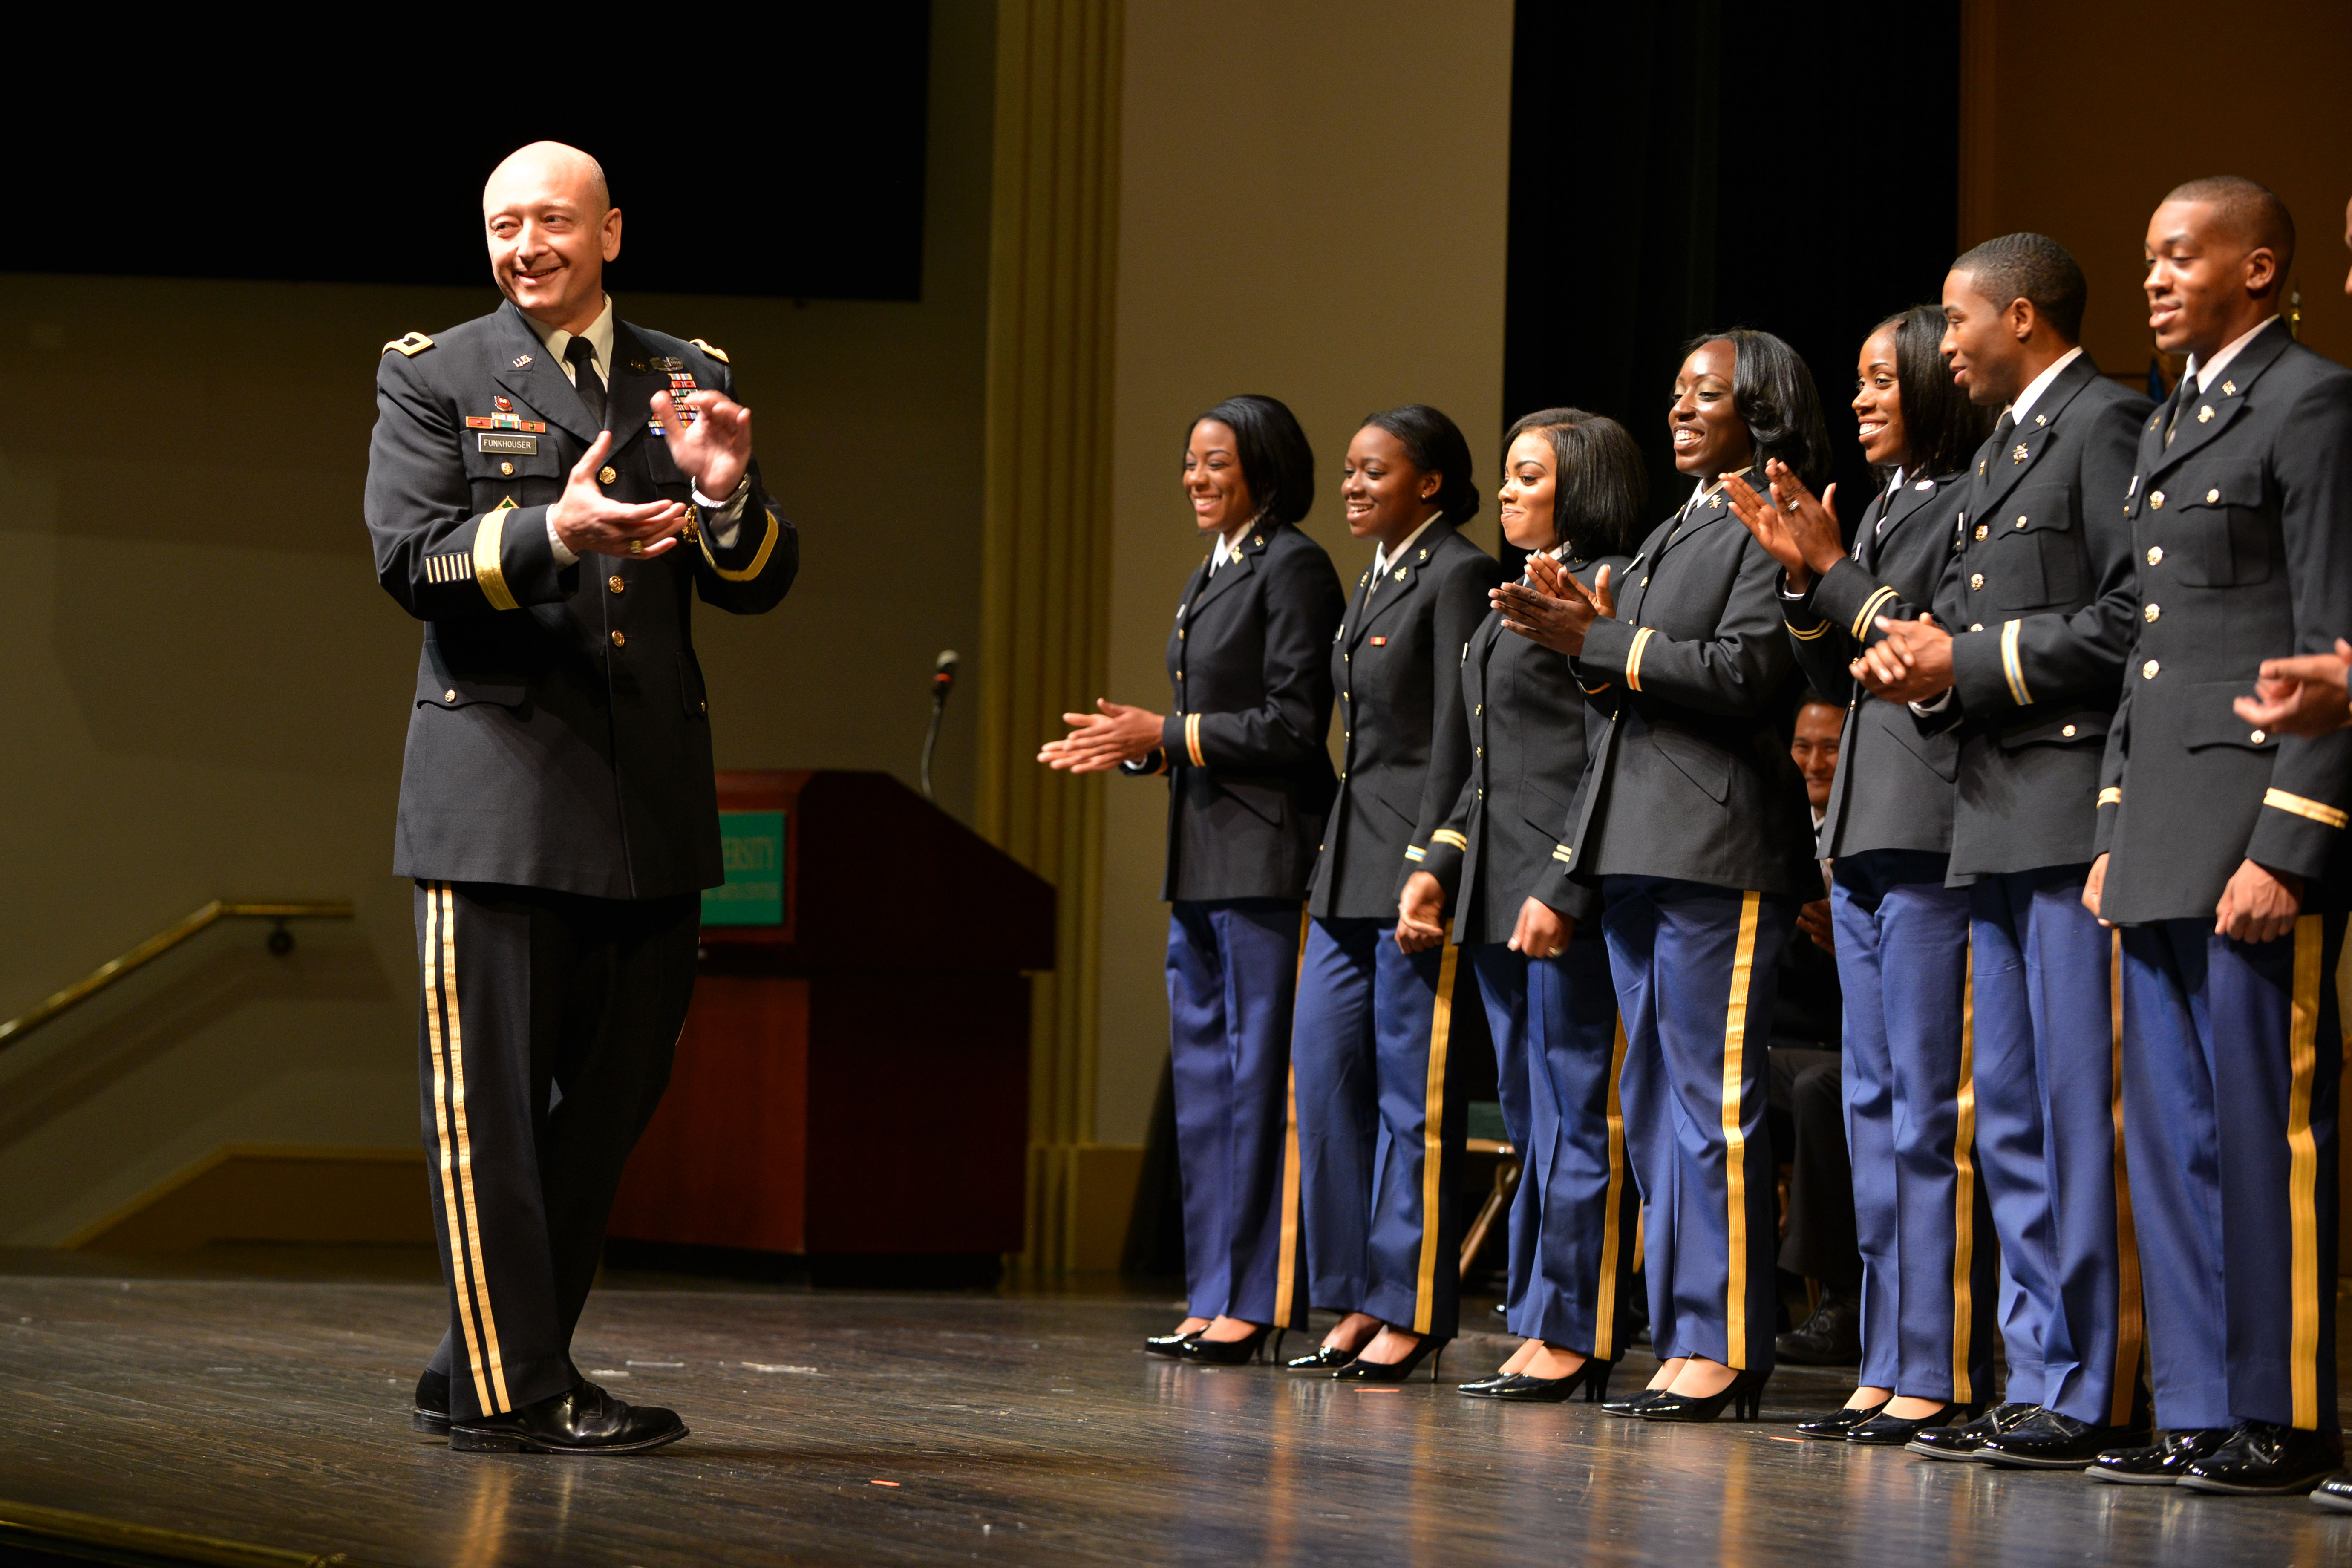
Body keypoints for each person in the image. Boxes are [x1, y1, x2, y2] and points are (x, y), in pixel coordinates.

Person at [365, 143, 798, 1454]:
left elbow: (760, 579)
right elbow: (408, 559)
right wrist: (555, 530)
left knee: (611, 1107)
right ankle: (516, 1392)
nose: (524, 246)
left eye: (550, 220)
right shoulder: (433, 374)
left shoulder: (693, 373)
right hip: (496, 794)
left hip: (648, 803)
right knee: (490, 1115)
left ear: (611, 230)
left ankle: (478, 1366)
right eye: (502, 226)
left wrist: (725, 490)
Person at [1853, 234, 2152, 1468]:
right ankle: (2040, 1374)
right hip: (1988, 814)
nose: (1946, 344)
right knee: (2013, 1119)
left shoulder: (2105, 422)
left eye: (1956, 320)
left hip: (2070, 813)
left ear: (2017, 317)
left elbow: (2133, 618)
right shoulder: (2003, 450)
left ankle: (2091, 1387)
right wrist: (1928, 674)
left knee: (2081, 1114)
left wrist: (1965, 664)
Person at [1496, 329, 1829, 1423]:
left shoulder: (1754, 517)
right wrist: (1580, 640)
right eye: (1677, 390)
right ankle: (1684, 1330)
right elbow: (1626, 695)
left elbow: (1749, 671)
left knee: (1708, 1105)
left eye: (1709, 394)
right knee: (1651, 1104)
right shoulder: (1664, 533)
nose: (1682, 407)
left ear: (1761, 410)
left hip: (1716, 844)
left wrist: (1603, 642)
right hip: (1640, 844)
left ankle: (1726, 1340)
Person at [2082, 178, 2352, 1496]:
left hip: (2253, 827)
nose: (2155, 278)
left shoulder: (2309, 402)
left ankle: (2284, 1407)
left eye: (2181, 256)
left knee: (2264, 1130)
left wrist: (2290, 843)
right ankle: (2193, 1402)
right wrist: (2114, 828)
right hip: (2163, 831)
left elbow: (2332, 631)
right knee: (2170, 1130)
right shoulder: (2175, 418)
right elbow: (2151, 650)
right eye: (2148, 257)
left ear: (2259, 267)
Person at [1732, 304, 1997, 1446]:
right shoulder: (1884, 503)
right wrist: (1805, 588)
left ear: (1942, 380)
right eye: (1858, 381)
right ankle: (1887, 1361)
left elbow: (1909, 642)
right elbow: (1838, 665)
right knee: (1875, 1110)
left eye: (1883, 379)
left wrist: (1834, 573)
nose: (1862, 400)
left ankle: (1936, 1367)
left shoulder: (1967, 497)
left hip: (1938, 833)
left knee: (1929, 1115)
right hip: (1865, 834)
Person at [1036, 395, 1343, 1365]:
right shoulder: (1213, 569)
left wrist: (1165, 735)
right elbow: (1208, 724)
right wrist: (1146, 749)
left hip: (1265, 860)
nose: (1196, 479)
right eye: (1189, 463)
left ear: (1263, 466)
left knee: (1259, 1087)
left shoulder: (1294, 565)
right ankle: (1212, 1291)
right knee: (1206, 1092)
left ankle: (1258, 1297)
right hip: (1201, 860)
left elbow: (1296, 728)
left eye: (1216, 462)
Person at [1396, 409, 1643, 1402]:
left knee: (1576, 1111)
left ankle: (1576, 1326)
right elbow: (1486, 766)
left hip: (1554, 892)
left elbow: (1604, 759)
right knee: (1536, 1115)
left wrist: (1562, 884)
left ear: (1578, 485)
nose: (1505, 492)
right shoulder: (1514, 595)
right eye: (1505, 475)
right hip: (1495, 893)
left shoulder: (1604, 588)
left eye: (1528, 475)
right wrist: (1439, 864)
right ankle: (1542, 1314)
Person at [1286, 406, 1503, 1382]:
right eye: (1348, 470)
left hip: (1411, 875)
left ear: (1430, 481)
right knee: (1330, 1088)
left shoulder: (1457, 572)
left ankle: (1409, 1303)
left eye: (1375, 471)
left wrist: (1435, 863)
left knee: (1414, 1101)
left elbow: (1459, 739)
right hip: (1345, 869)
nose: (1354, 486)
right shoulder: (1376, 576)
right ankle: (1352, 1292)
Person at [1770, 692, 1862, 1368]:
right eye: (1803, 746)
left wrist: (1851, 941)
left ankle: (1841, 1301)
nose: (1814, 761)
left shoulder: (1866, 829)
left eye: (1830, 746)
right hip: (1781, 1033)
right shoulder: (1777, 830)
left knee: (1819, 1091)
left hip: (1844, 1039)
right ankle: (1736, 1292)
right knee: (1703, 1075)